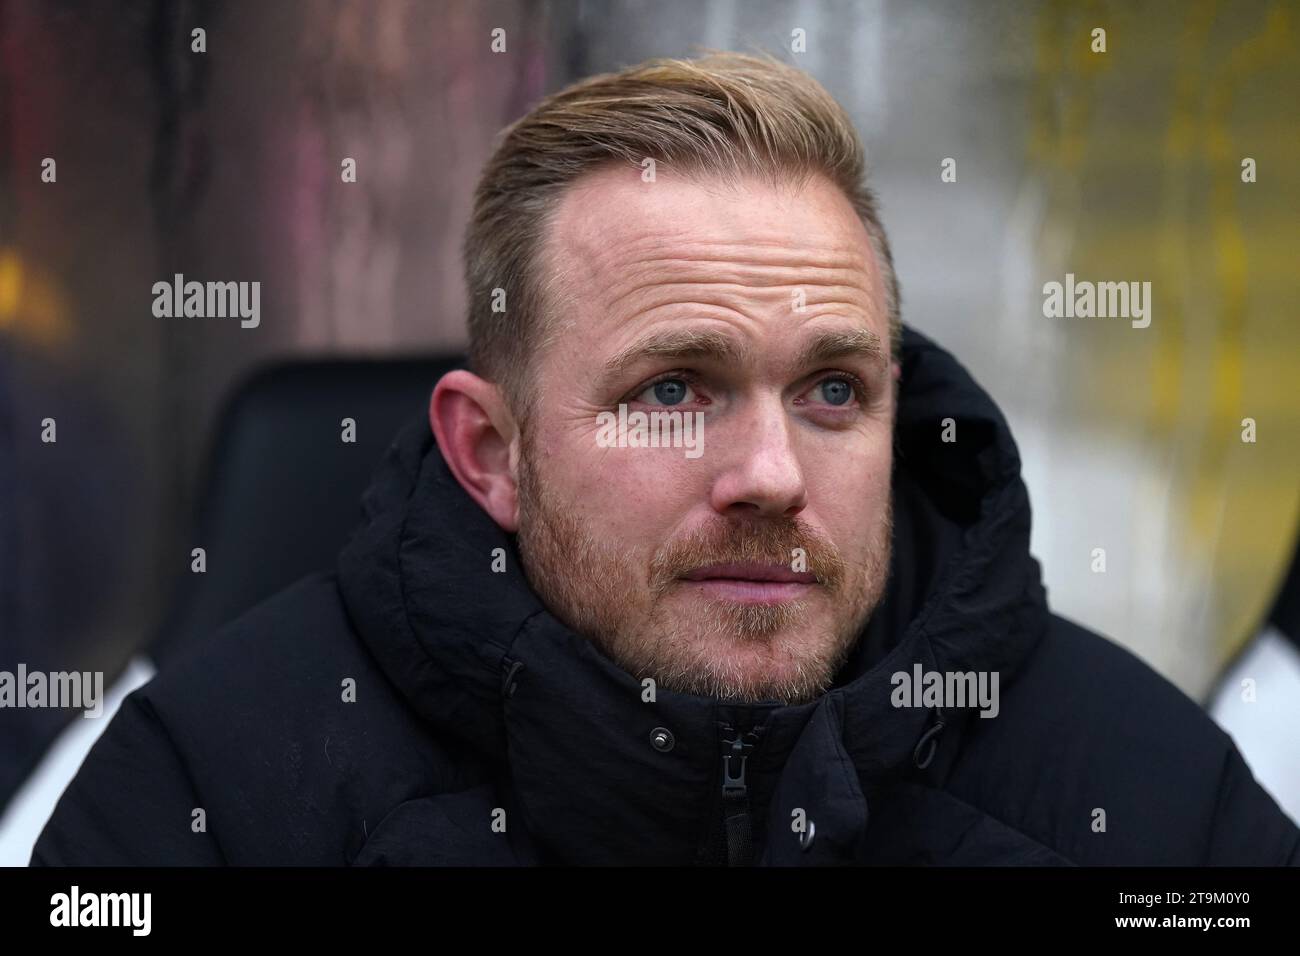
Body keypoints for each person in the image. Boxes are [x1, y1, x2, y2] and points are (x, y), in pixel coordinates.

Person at [32, 52, 1298, 866]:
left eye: (832, 391)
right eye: (674, 388)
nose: (771, 473)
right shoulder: (214, 792)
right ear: (491, 452)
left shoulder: (1143, 800)